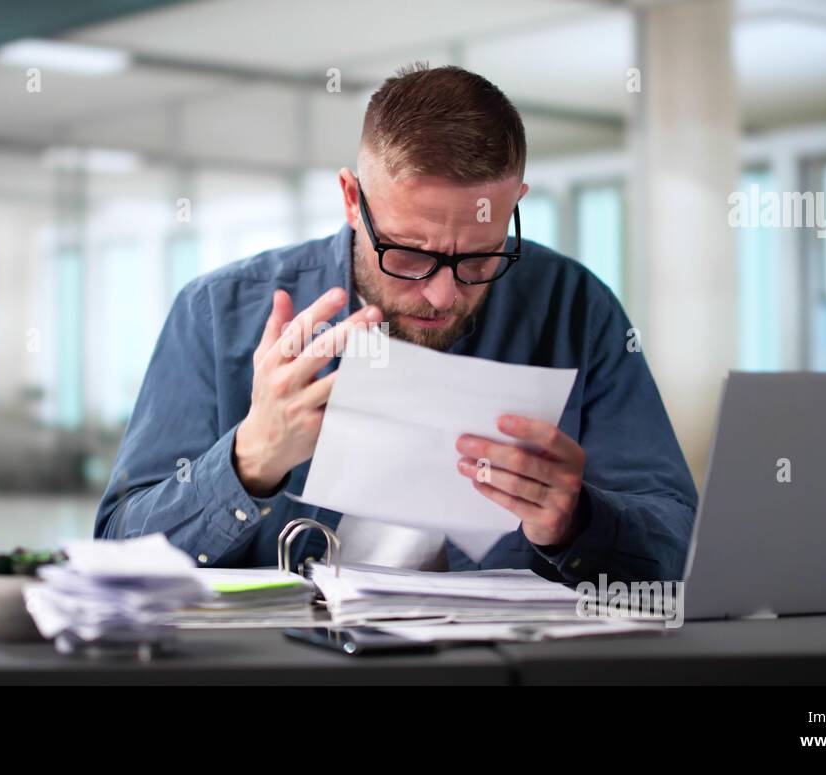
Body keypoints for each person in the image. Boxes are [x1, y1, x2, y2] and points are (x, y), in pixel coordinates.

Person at [95, 64, 696, 582]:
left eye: (479, 258)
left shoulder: (576, 307)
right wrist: (249, 461)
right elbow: (118, 551)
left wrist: (576, 521)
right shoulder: (217, 314)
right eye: (408, 254)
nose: (443, 293)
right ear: (352, 199)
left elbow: (680, 542)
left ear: (514, 205)